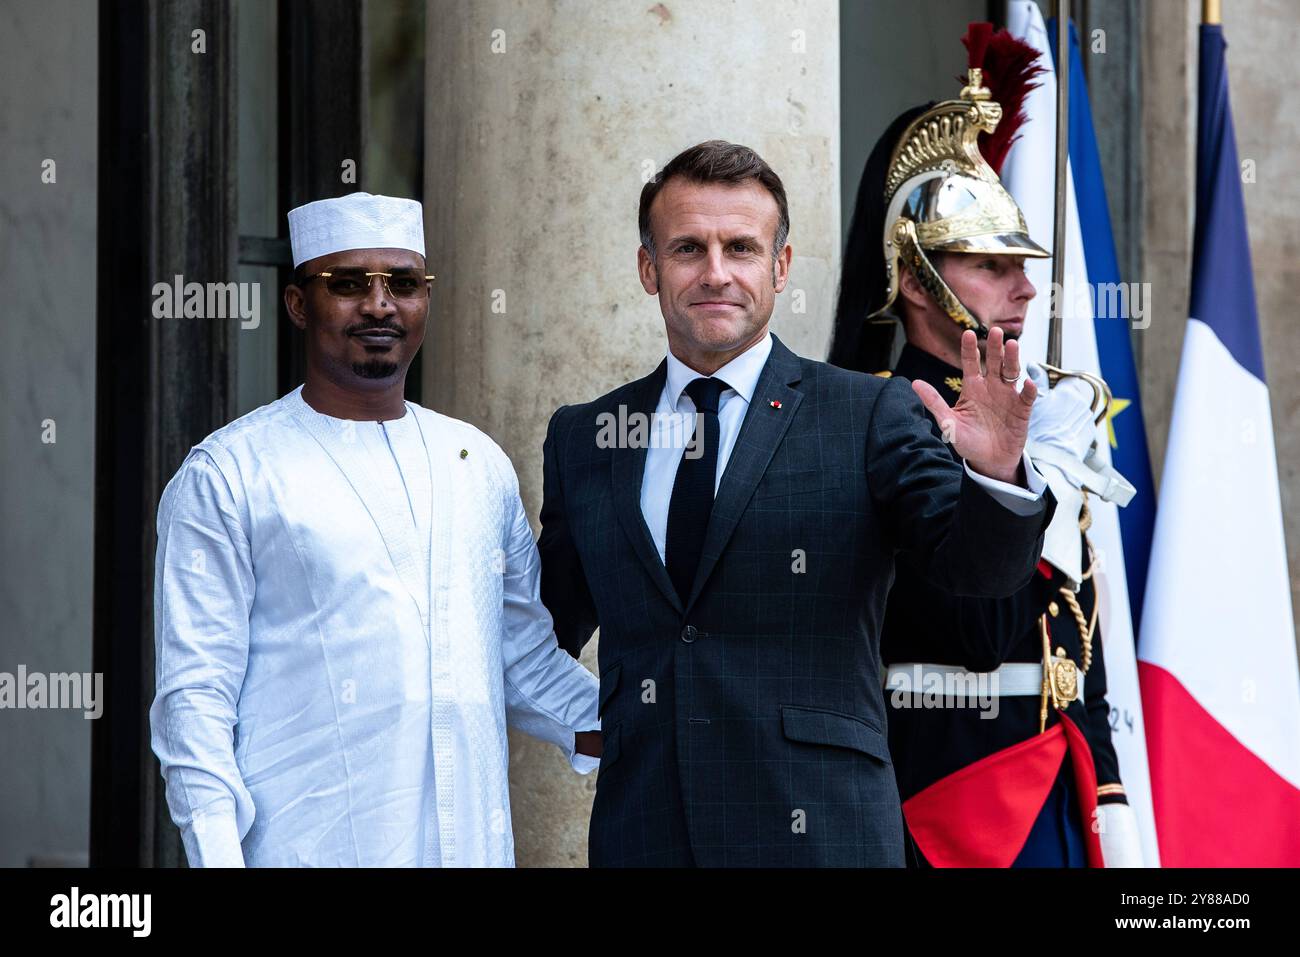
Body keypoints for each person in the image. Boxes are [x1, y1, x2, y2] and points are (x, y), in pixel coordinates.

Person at [538, 140, 1055, 867]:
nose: (716, 273)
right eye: (689, 247)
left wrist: (996, 476)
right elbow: (539, 624)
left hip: (822, 836)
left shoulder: (868, 411)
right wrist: (597, 721)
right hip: (645, 834)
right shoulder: (585, 438)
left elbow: (974, 577)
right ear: (648, 267)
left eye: (741, 248)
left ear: (780, 267)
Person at [149, 192, 600, 867]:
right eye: (349, 284)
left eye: (405, 284)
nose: (381, 305)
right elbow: (195, 701)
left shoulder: (475, 463)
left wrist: (656, 719)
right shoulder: (229, 474)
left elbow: (520, 658)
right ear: (300, 304)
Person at [828, 27, 1141, 867]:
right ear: (915, 275)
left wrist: (1108, 795)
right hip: (944, 800)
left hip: (1059, 785)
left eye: (1020, 261)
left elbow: (1076, 630)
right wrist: (990, 470)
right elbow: (973, 625)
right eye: (986, 261)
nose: (1025, 285)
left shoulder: (1044, 410)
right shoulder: (879, 418)